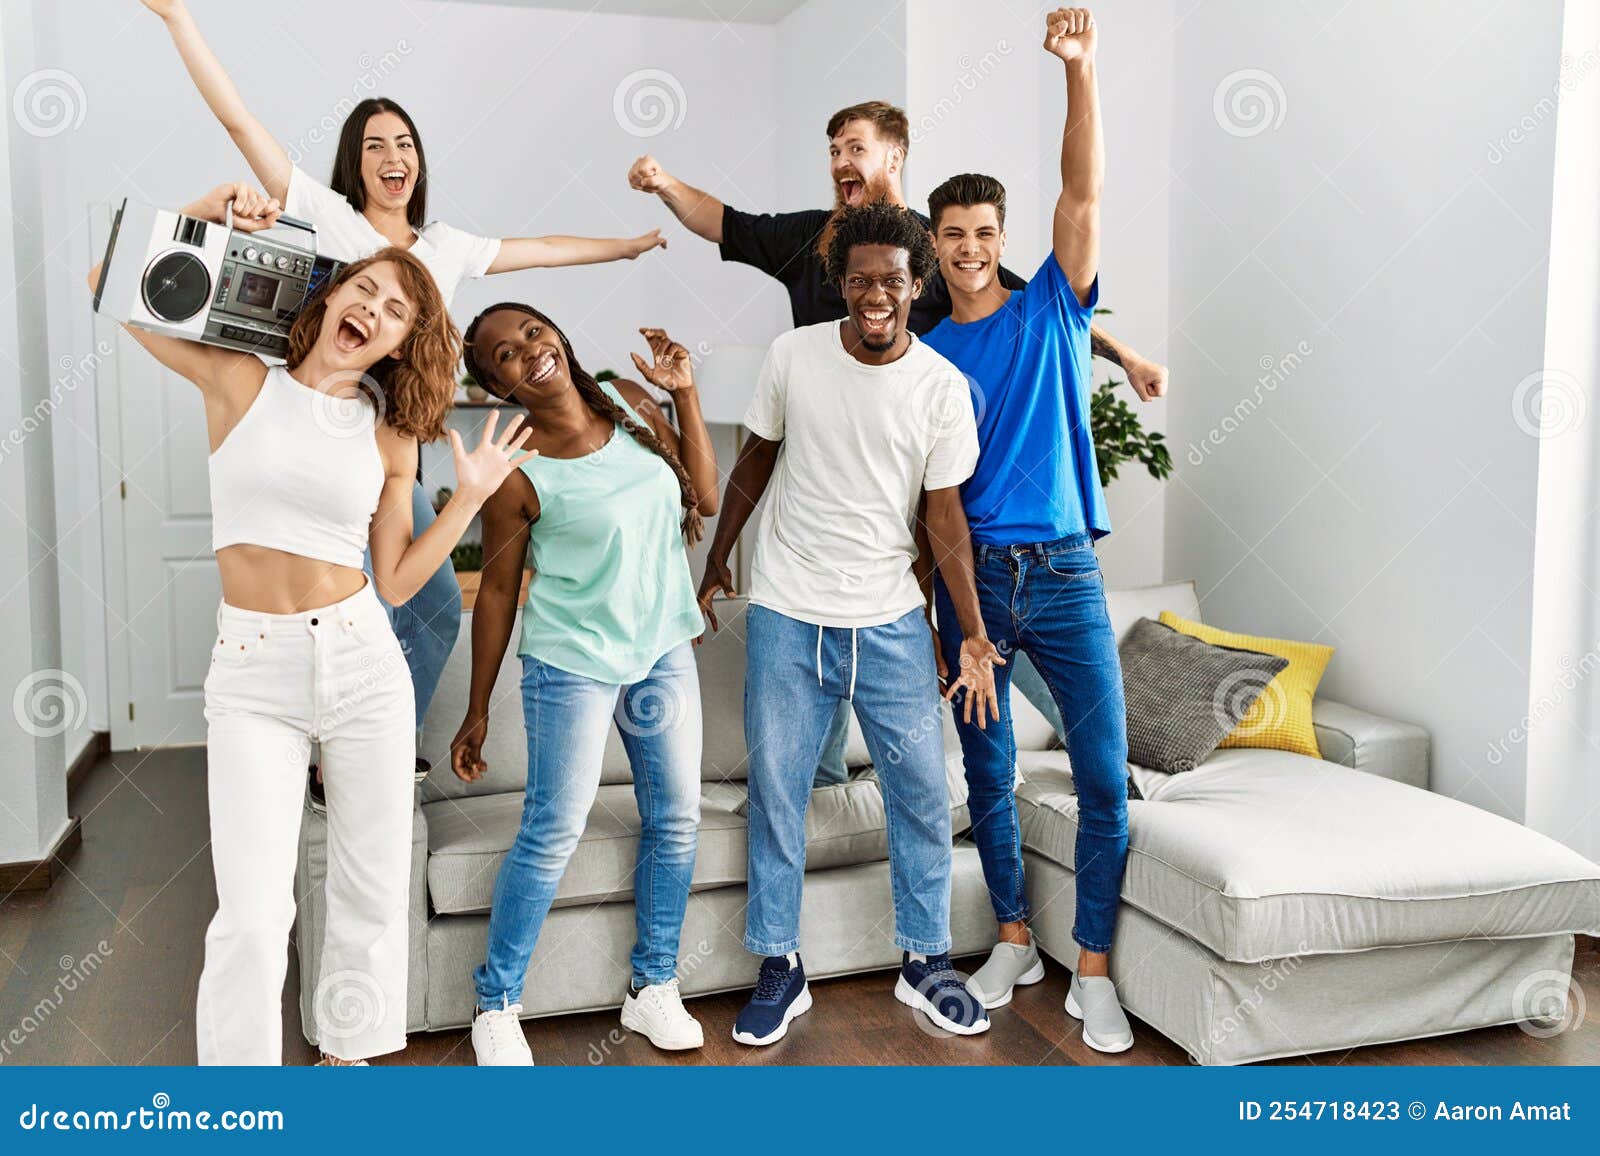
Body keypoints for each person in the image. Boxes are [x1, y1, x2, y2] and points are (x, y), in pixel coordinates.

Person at [142, 0, 668, 781]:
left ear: (419, 163)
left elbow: (545, 249)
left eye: (407, 144)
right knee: (361, 603)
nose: (395, 155)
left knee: (419, 610)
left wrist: (624, 248)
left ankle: (371, 754)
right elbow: (240, 125)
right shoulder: (325, 216)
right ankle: (332, 760)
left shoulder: (446, 246)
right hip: (324, 439)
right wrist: (180, 20)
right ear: (357, 163)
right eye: (377, 145)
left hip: (394, 456)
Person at [89, 182, 535, 1065]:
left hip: (364, 663)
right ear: (329, 295)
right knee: (253, 914)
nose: (374, 308)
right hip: (254, 672)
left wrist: (474, 501)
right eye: (364, 289)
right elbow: (109, 277)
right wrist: (209, 213)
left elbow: (403, 581)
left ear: (405, 341)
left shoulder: (388, 433)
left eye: (398, 310)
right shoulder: (239, 377)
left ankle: (347, 1064)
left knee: (370, 894)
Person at [629, 100, 1167, 786]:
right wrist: (665, 182)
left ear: (894, 157)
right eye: (831, 150)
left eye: (854, 146)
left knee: (978, 621)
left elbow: (1046, 305)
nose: (839, 162)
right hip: (831, 487)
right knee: (825, 617)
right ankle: (820, 778)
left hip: (925, 481)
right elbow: (721, 222)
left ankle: (1100, 756)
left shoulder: (939, 246)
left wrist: (1128, 357)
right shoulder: (808, 238)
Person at [697, 201, 1004, 1045]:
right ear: (841, 283)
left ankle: (926, 961)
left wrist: (968, 630)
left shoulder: (942, 386)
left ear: (916, 286)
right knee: (780, 796)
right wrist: (719, 555)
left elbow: (946, 521)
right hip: (790, 612)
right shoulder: (793, 355)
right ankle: (780, 966)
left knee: (917, 793)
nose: (876, 295)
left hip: (894, 622)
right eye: (861, 280)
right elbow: (755, 458)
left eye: (893, 282)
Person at [921, 9, 1155, 1053]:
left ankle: (1091, 971)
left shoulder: (1053, 307)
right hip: (968, 588)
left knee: (1103, 777)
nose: (969, 248)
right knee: (988, 775)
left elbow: (1084, 190)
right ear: (933, 244)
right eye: (953, 235)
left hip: (1060, 574)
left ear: (1002, 240)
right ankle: (1014, 935)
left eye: (983, 234)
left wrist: (1082, 72)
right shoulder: (923, 358)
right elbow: (922, 499)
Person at [451, 310, 719, 1066]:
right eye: (505, 355)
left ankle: (654, 988)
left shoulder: (629, 402)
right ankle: (497, 1004)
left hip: (662, 648)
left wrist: (686, 396)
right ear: (494, 384)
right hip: (571, 661)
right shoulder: (516, 470)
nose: (528, 354)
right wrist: (477, 709)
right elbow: (499, 593)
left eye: (533, 334)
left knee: (675, 818)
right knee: (552, 831)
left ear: (559, 335)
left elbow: (699, 495)